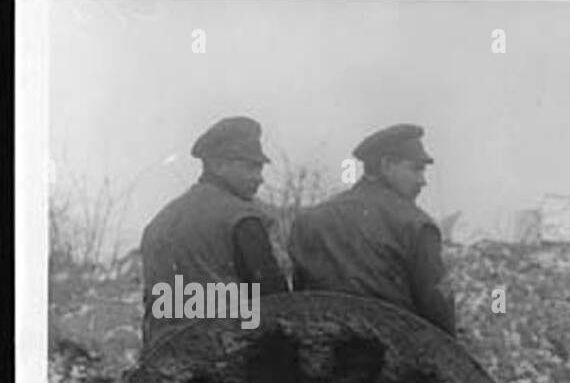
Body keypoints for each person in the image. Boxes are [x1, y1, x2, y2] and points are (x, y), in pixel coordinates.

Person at [288, 123, 454, 335]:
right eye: (416, 169)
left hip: (322, 354)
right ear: (386, 165)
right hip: (393, 355)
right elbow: (438, 313)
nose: (422, 181)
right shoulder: (416, 225)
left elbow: (299, 299)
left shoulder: (308, 220)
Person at [139, 116, 286, 347]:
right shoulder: (241, 217)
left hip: (164, 359)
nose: (259, 179)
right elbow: (275, 303)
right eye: (251, 167)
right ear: (218, 166)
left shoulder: (158, 222)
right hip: (226, 357)